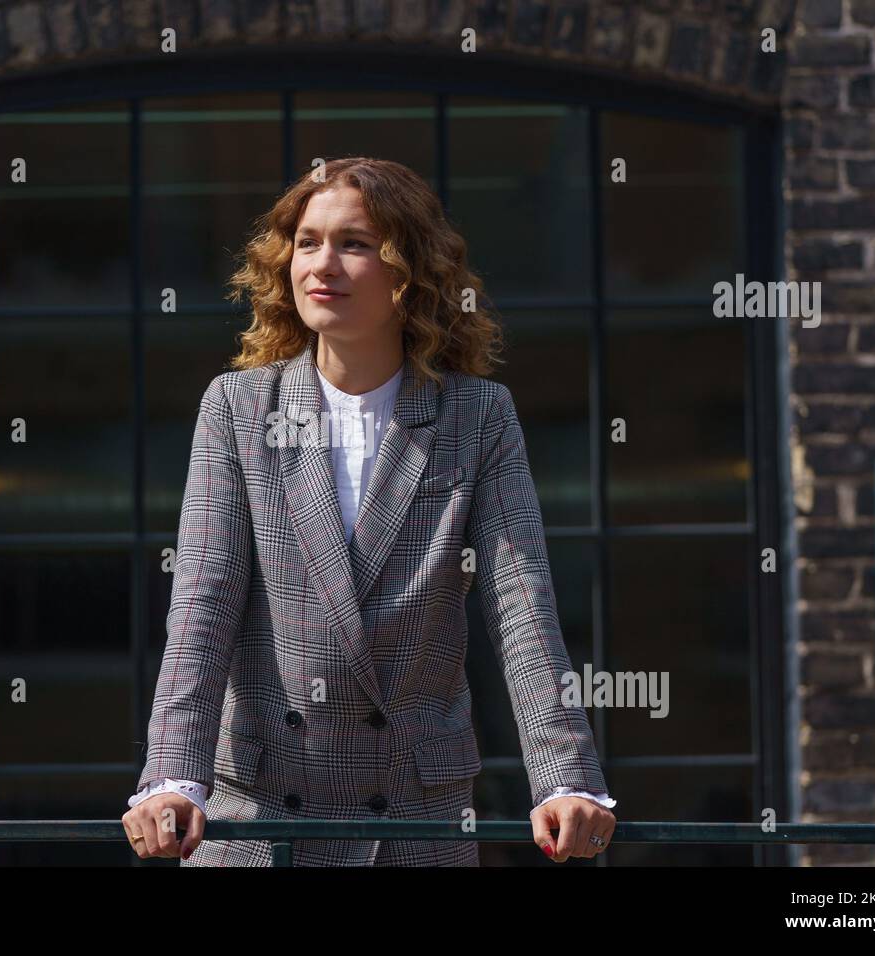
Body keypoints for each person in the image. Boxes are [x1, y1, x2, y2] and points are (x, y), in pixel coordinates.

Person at [122, 157, 616, 866]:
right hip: (262, 817)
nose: (322, 264)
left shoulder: (478, 415)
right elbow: (203, 604)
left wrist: (566, 779)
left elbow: (523, 610)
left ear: (408, 271)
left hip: (415, 814)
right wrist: (173, 779)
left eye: (354, 243)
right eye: (308, 242)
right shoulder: (237, 408)